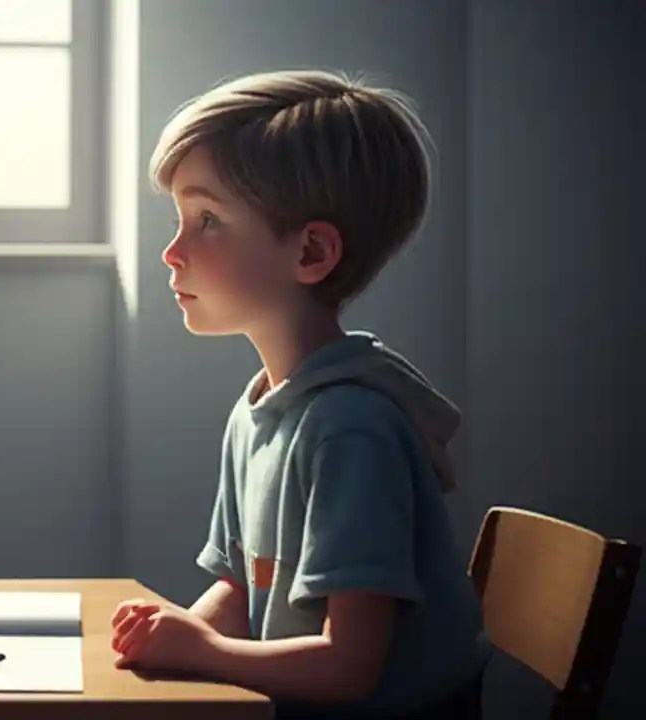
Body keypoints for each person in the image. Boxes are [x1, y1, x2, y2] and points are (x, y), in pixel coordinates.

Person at [109, 69, 491, 719]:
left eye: (207, 220)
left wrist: (201, 652)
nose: (172, 252)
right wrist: (171, 637)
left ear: (311, 251)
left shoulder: (350, 428)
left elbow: (349, 668)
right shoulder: (262, 407)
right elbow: (239, 584)